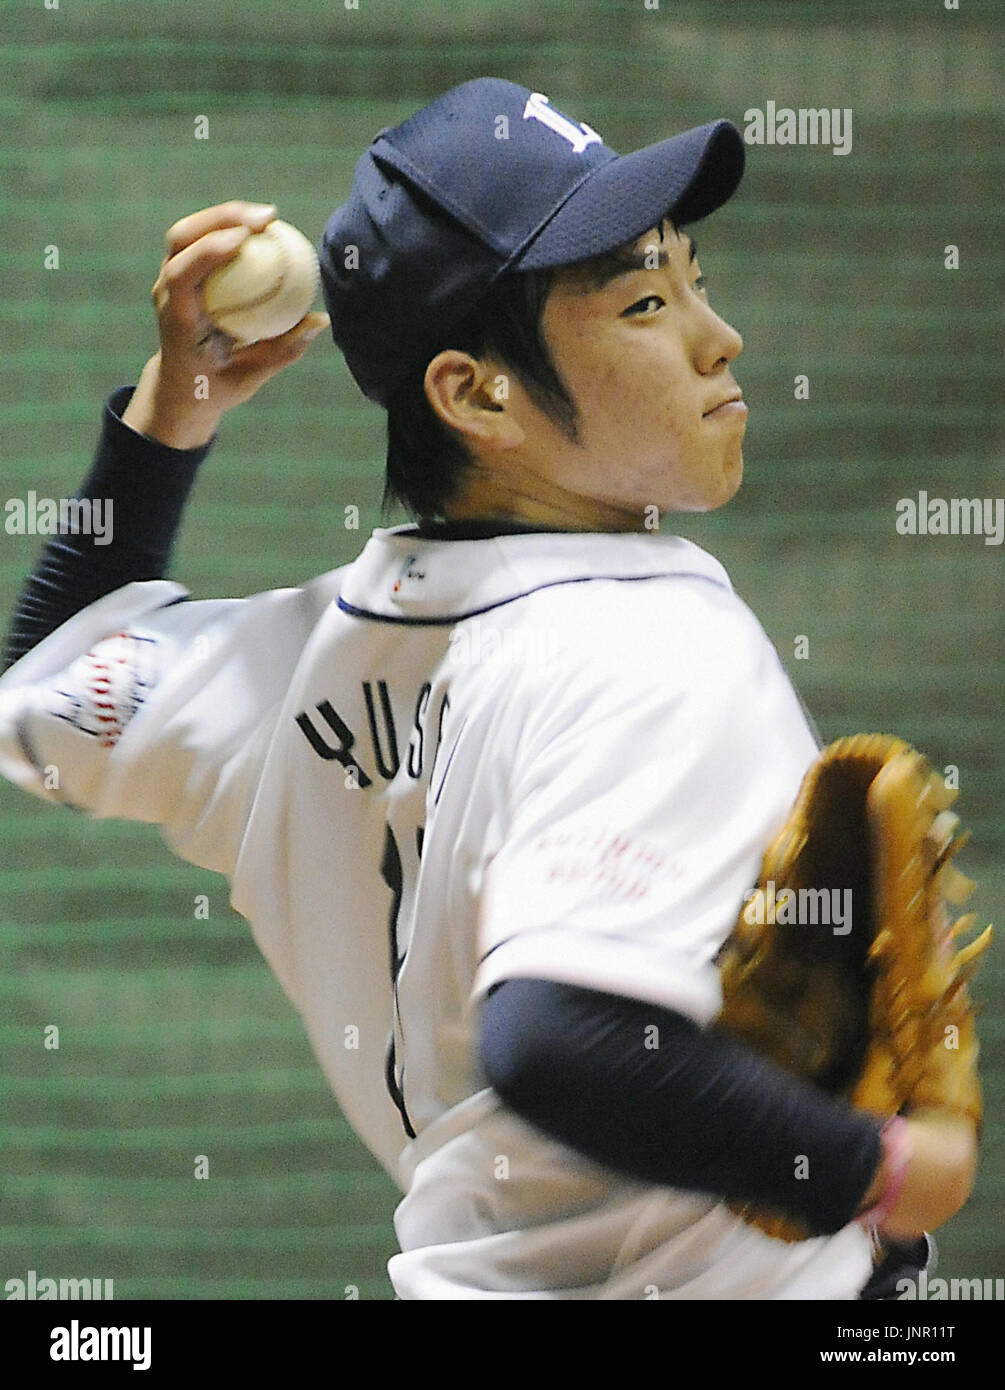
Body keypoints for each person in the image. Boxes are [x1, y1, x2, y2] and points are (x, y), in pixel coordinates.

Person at [0, 78, 975, 1300]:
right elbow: (558, 1040)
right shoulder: (653, 644)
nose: (714, 338)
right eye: (644, 301)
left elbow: (48, 662)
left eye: (695, 282)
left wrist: (173, 405)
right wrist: (881, 1168)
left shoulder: (298, 658)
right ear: (475, 395)